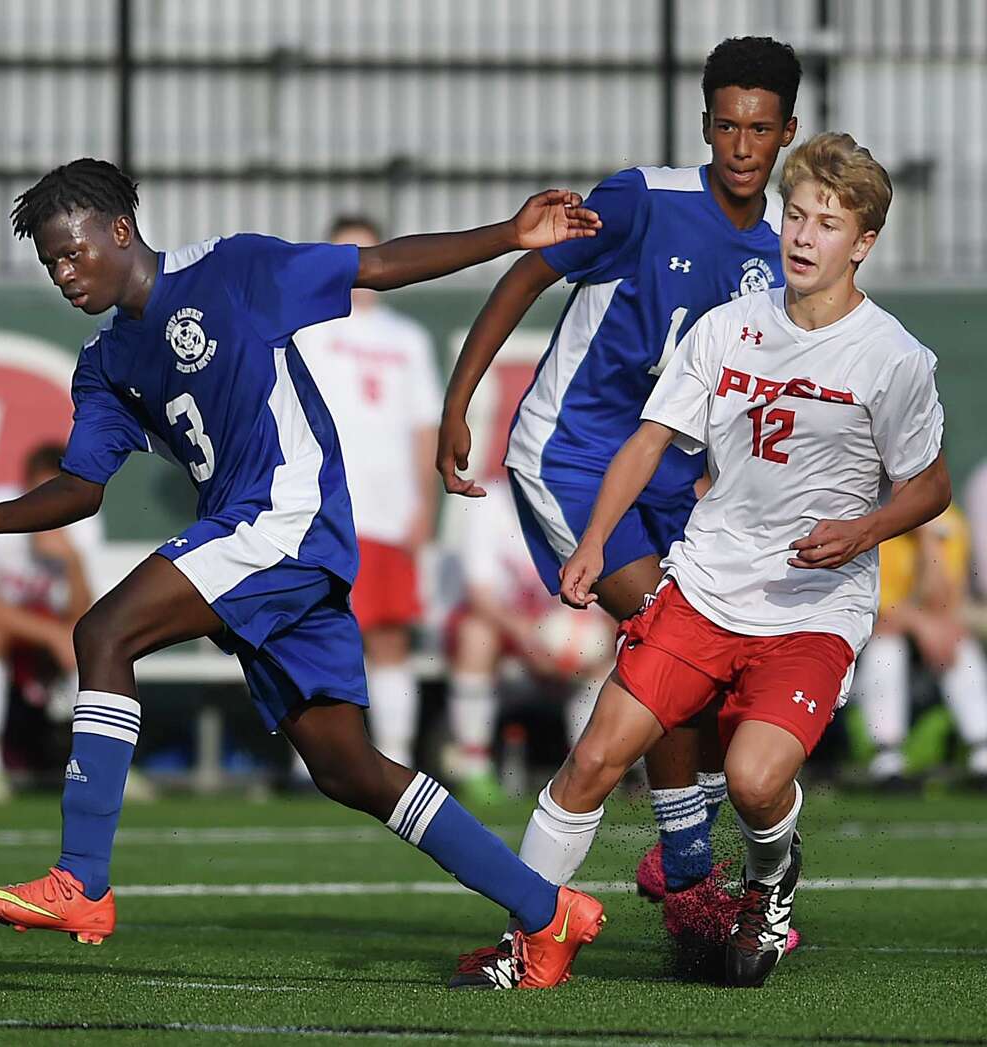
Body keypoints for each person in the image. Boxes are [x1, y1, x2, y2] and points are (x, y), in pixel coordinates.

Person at [0, 158, 608, 988]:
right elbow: (84, 487)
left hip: (285, 519)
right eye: (51, 264)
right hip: (259, 541)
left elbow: (375, 265)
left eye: (73, 252)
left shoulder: (232, 270)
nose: (64, 273)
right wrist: (0, 516)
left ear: (120, 231)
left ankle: (81, 878)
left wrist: (509, 235)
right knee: (348, 770)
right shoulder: (106, 362)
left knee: (103, 632)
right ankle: (549, 912)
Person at [439, 36, 802, 985]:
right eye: (726, 124)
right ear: (706, 124)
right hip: (569, 457)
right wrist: (458, 401)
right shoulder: (646, 198)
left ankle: (679, 867)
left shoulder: (784, 253)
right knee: (668, 639)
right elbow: (526, 273)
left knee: (703, 670)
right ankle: (684, 873)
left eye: (759, 128)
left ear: (786, 134)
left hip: (671, 487)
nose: (740, 143)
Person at [553, 132, 948, 987]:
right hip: (704, 586)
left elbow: (931, 486)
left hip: (812, 607)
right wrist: (592, 545)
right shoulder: (726, 328)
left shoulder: (894, 357)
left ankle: (769, 886)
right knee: (590, 760)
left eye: (828, 223)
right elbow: (651, 438)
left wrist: (866, 529)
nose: (803, 236)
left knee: (753, 780)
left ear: (863, 242)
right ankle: (528, 938)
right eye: (796, 215)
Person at [294, 215, 443, 767]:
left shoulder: (407, 339)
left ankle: (396, 755)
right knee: (315, 632)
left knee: (387, 636)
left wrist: (423, 506)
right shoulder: (306, 329)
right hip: (319, 510)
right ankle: (314, 758)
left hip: (387, 511)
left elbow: (424, 425)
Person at [0, 443, 101, 802]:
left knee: (92, 641)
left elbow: (80, 610)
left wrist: (72, 561)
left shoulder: (82, 525)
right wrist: (50, 635)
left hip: (36, 630)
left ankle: (100, 764)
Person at [444, 477, 614, 800]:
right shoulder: (490, 502)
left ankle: (589, 768)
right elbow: (480, 594)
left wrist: (574, 636)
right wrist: (529, 638)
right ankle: (473, 764)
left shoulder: (586, 499)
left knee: (603, 639)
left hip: (566, 623)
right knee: (475, 633)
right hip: (512, 629)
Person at [854, 505, 987, 788]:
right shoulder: (873, 522)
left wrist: (927, 539)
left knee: (958, 644)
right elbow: (876, 612)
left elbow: (943, 603)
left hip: (926, 645)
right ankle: (887, 758)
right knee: (886, 650)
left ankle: (981, 752)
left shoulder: (949, 523)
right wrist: (922, 625)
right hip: (869, 646)